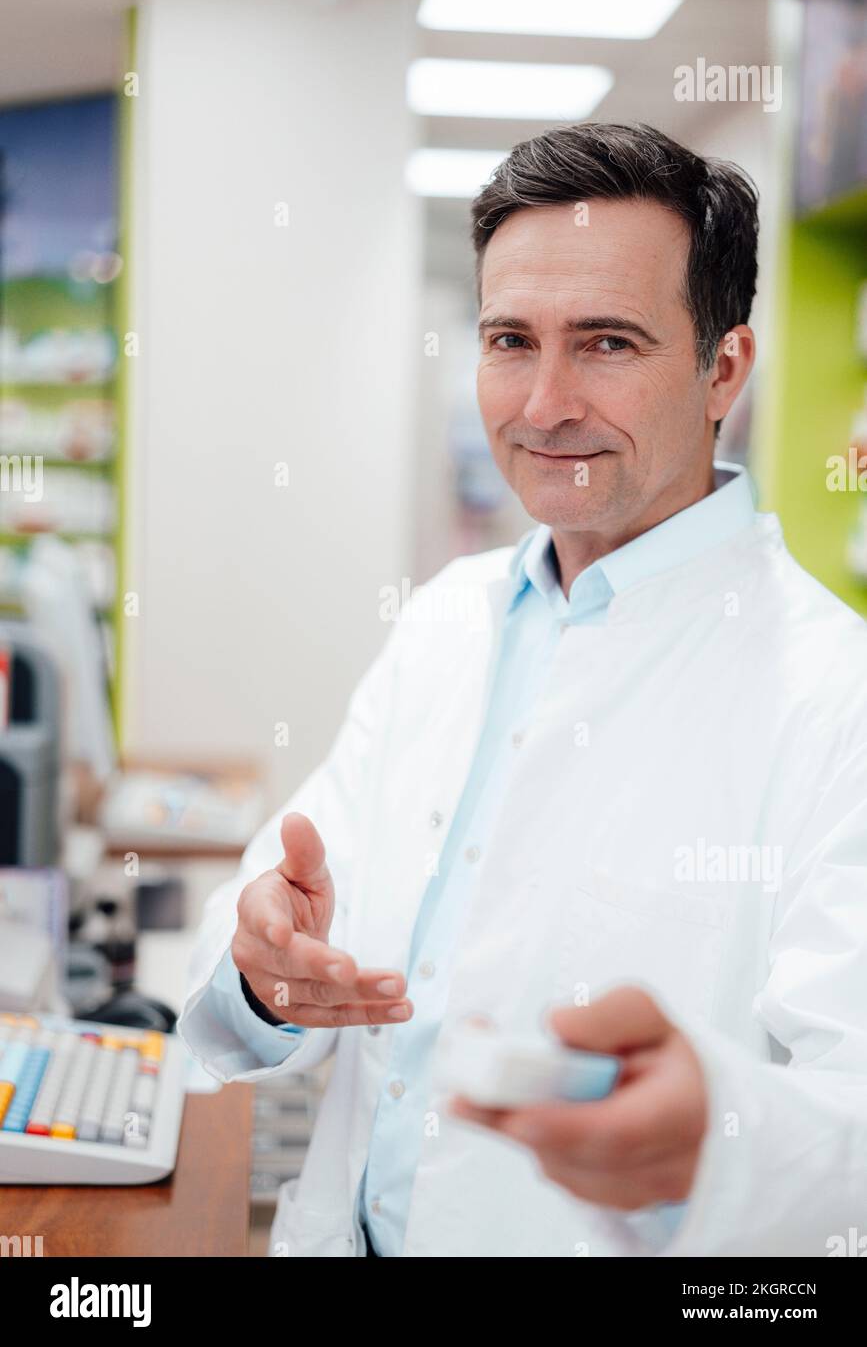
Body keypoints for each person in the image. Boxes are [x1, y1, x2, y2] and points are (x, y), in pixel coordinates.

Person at [178, 122, 867, 1258]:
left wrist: (717, 1145)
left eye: (605, 342)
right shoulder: (446, 619)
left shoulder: (834, 695)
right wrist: (266, 970)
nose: (543, 403)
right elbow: (280, 910)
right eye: (511, 339)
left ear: (724, 370)